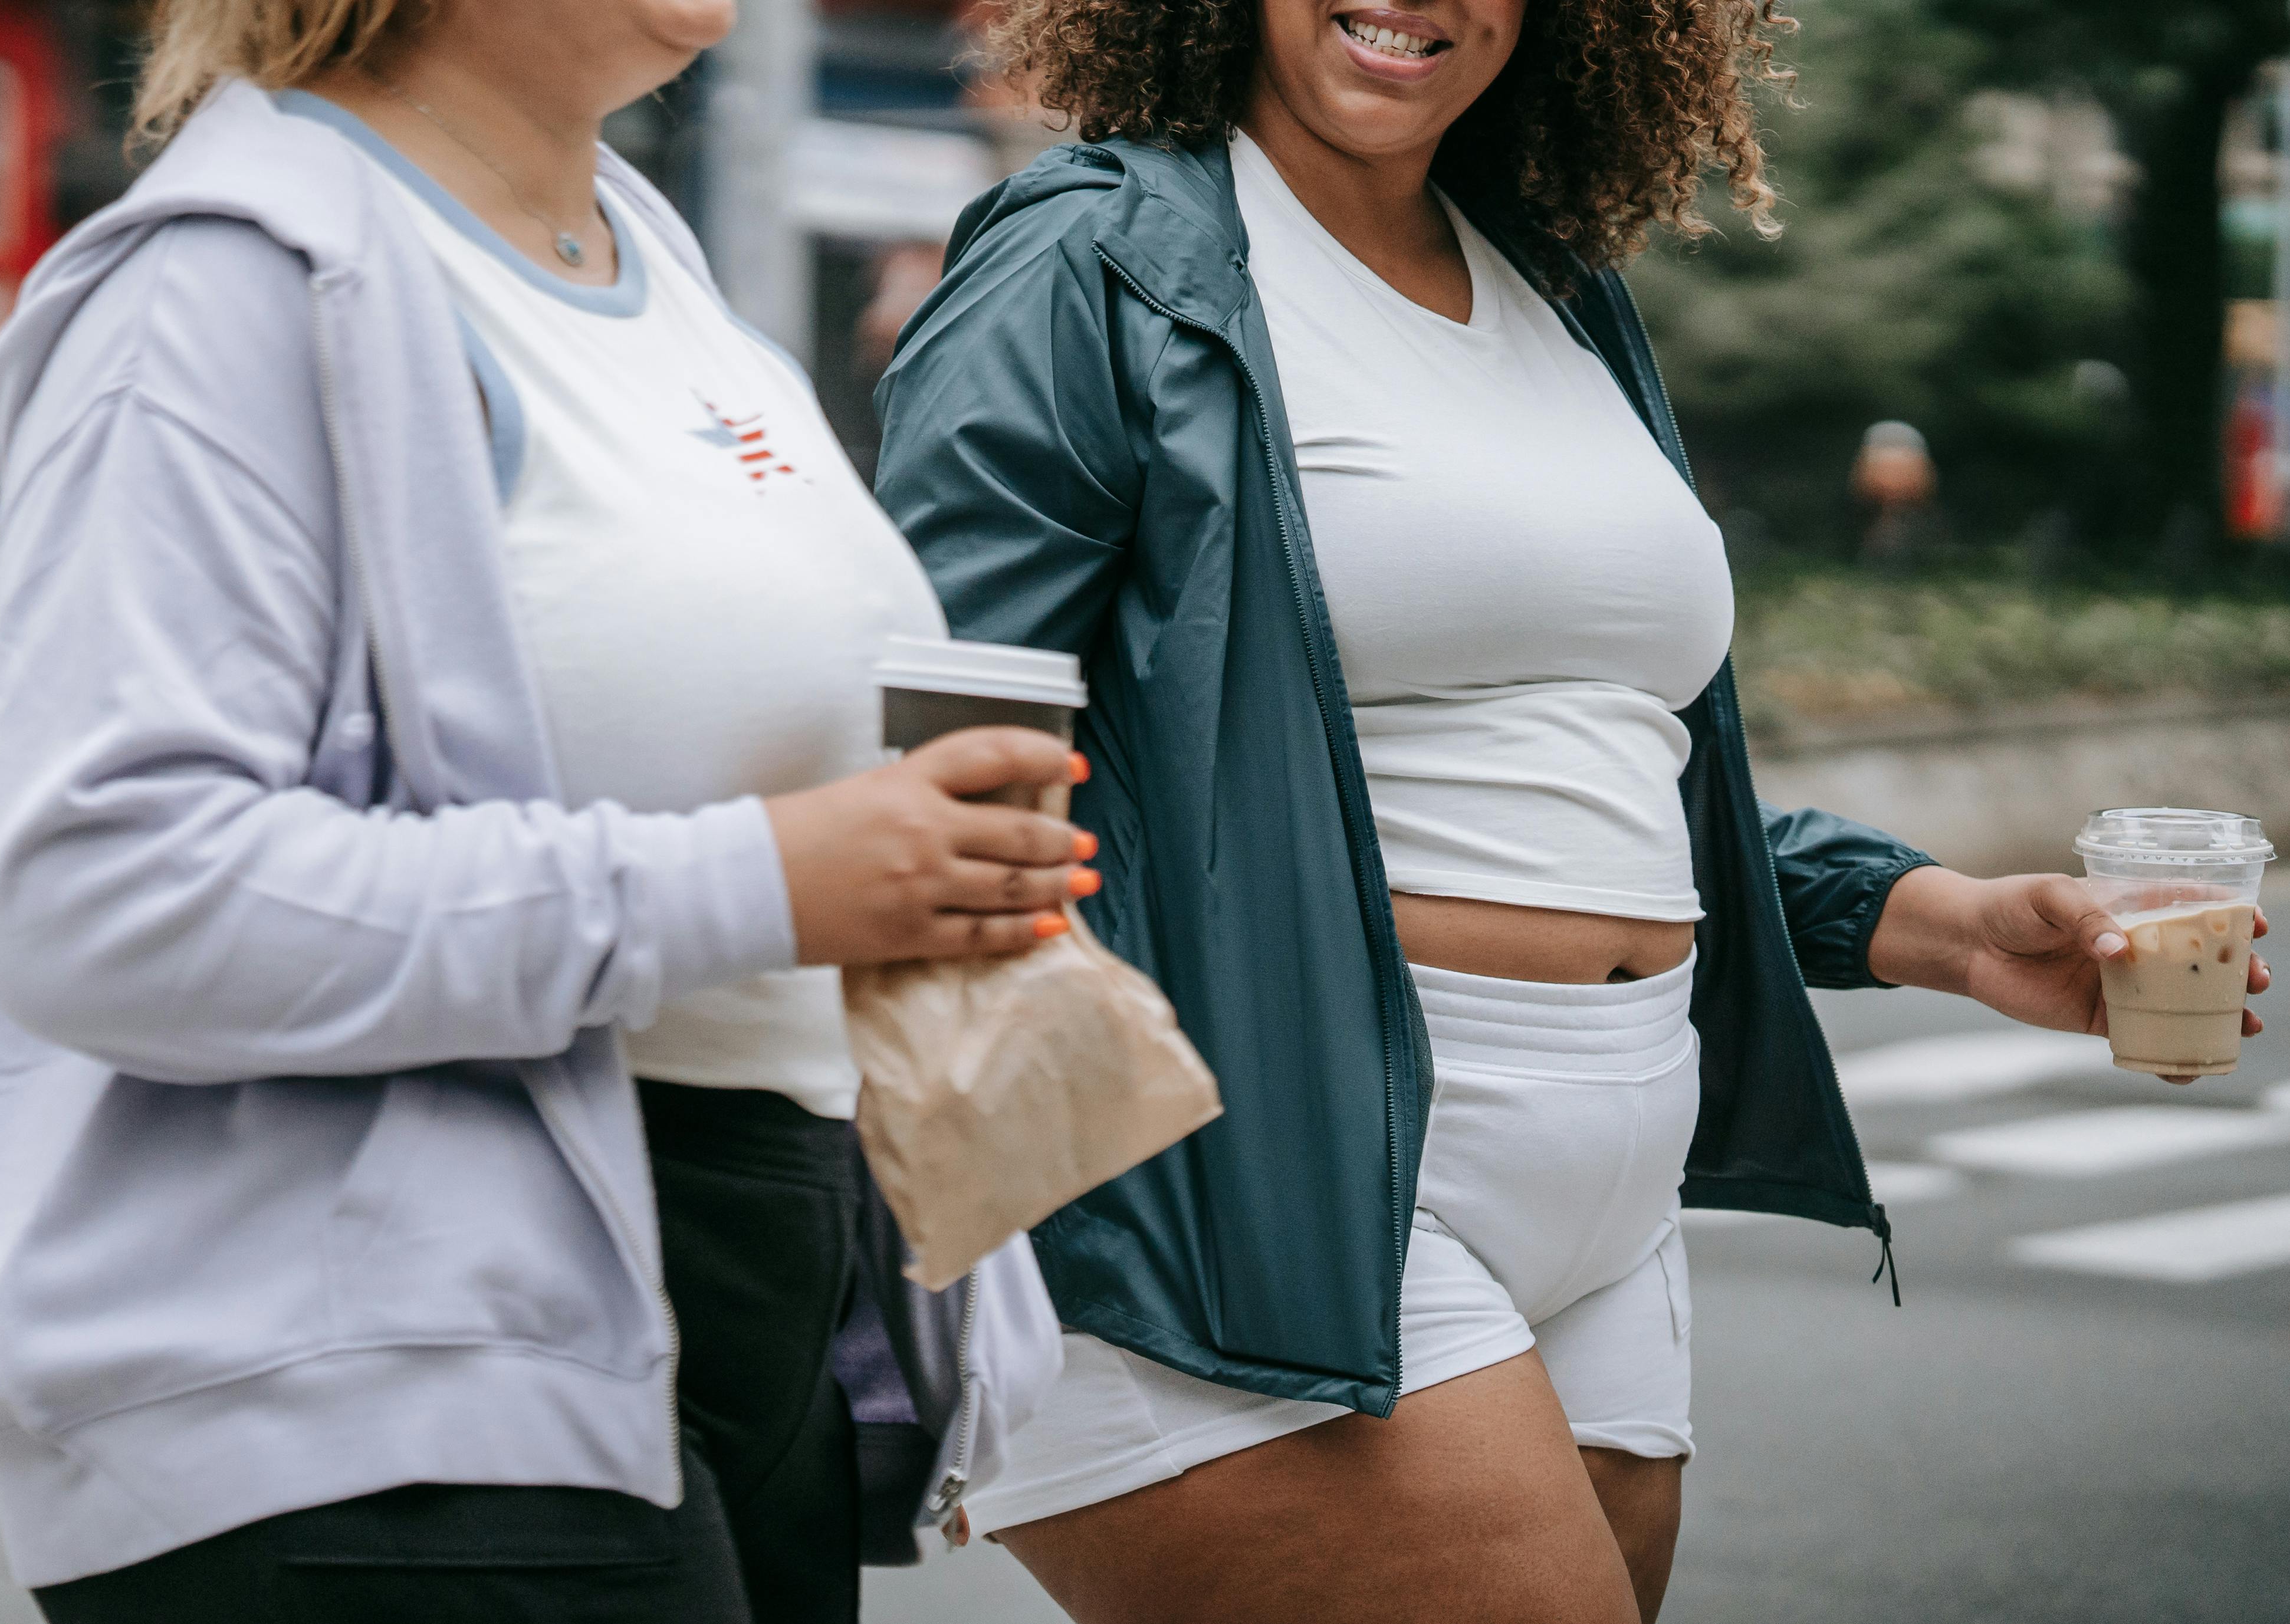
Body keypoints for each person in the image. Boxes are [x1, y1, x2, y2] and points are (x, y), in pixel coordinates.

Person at [873, 2, 2272, 1620]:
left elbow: (1600, 766)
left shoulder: (1551, 282)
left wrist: (1939, 922)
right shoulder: (1096, 257)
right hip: (1249, 1167)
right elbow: (930, 731)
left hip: (1604, 1178)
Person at [0, 2, 1082, 1620]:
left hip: (732, 1277)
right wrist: (761, 879)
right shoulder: (224, 280)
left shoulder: (642, 247)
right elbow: (101, 890)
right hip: (382, 1374)